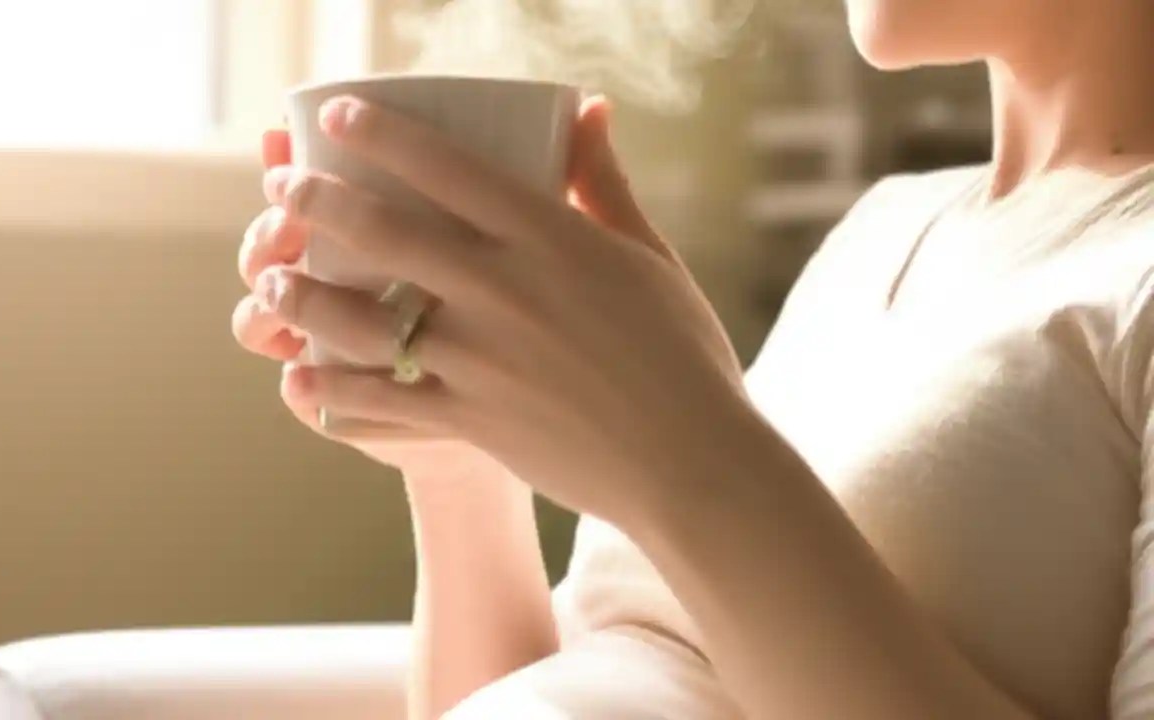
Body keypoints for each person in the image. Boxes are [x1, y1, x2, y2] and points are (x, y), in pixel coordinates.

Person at [230, 0, 1154, 716]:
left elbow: (710, 505)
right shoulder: (882, 232)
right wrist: (459, 462)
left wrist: (686, 455)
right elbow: (613, 689)